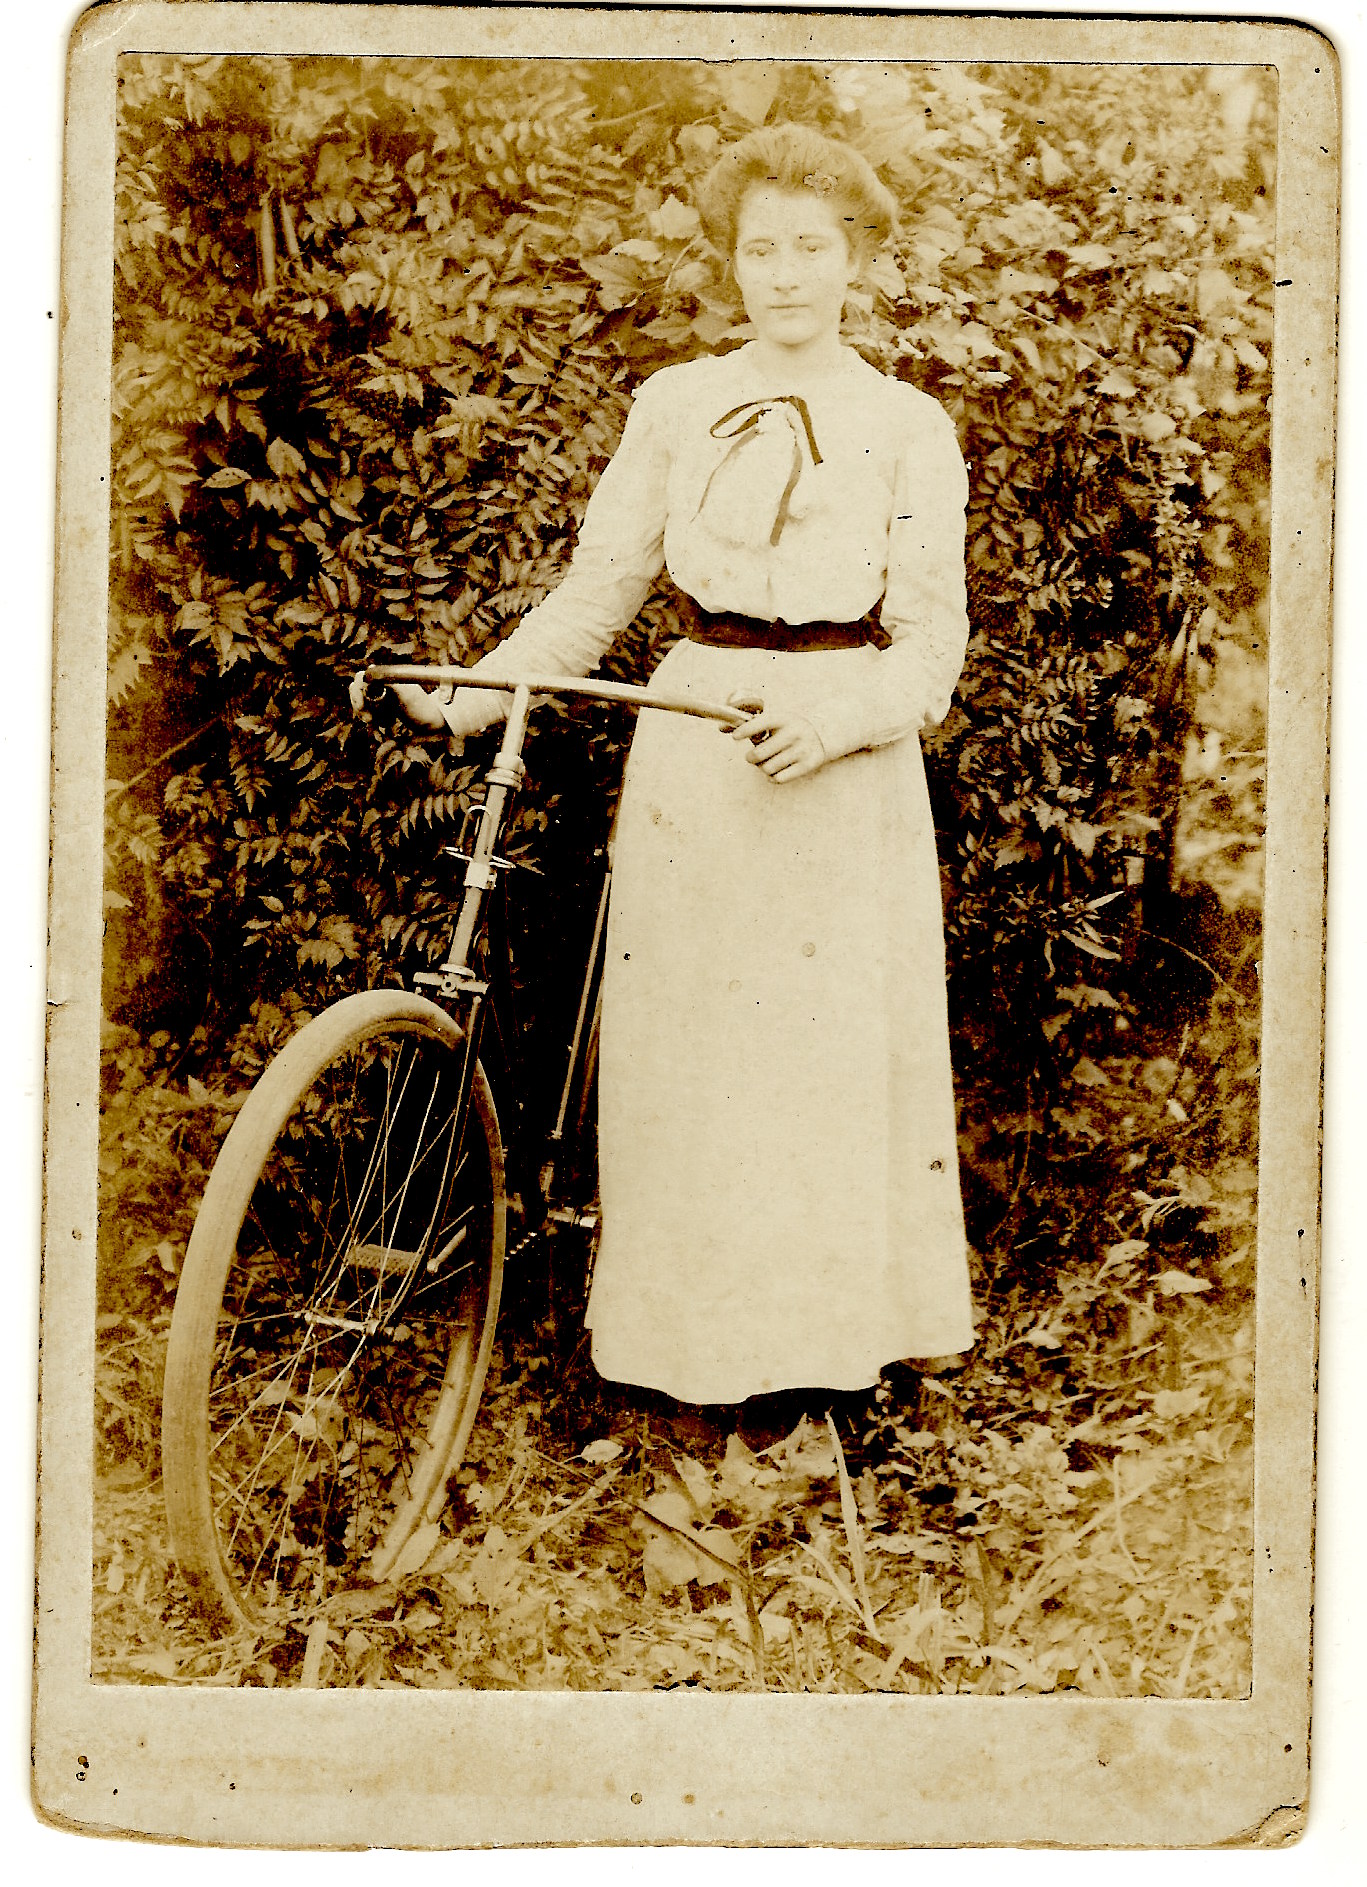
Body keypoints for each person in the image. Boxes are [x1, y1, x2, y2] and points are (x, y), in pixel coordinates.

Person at [390, 123, 976, 1422]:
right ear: (731, 260)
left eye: (811, 247)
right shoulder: (675, 405)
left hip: (840, 751)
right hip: (695, 731)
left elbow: (933, 644)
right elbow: (600, 590)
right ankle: (690, 1360)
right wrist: (485, 689)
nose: (784, 272)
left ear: (856, 260)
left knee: (821, 1056)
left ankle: (828, 1363)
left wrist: (834, 725)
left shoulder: (907, 425)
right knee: (698, 1054)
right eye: (760, 246)